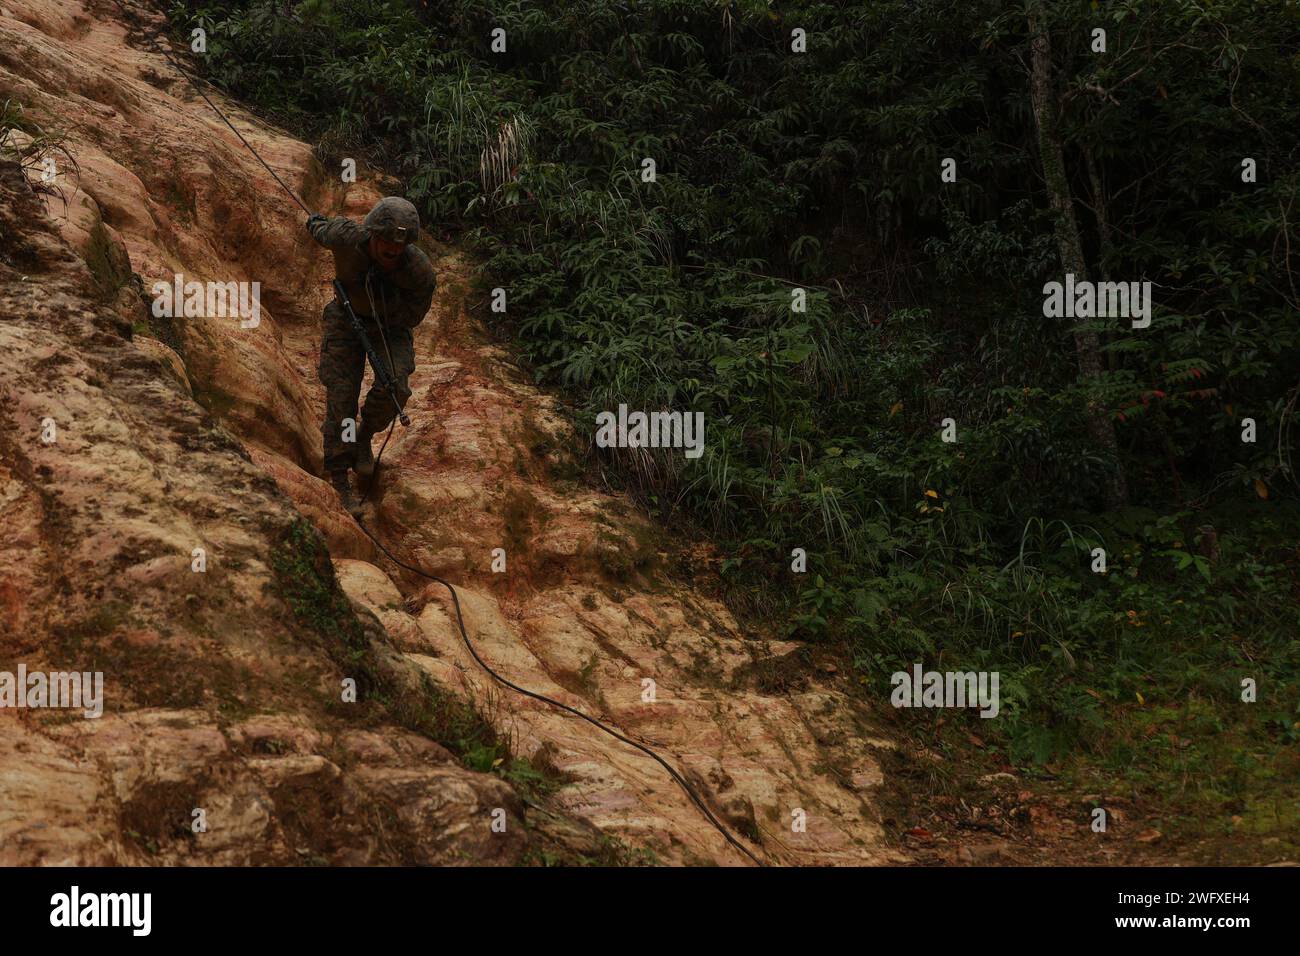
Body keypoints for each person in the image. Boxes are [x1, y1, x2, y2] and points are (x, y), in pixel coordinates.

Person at [306, 197, 436, 516]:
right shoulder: (347, 238)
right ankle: (339, 479)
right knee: (342, 397)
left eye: (399, 249)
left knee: (395, 388)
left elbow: (414, 316)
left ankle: (364, 437)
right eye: (386, 245)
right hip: (345, 318)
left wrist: (383, 302)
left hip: (389, 327)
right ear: (373, 235)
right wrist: (315, 222)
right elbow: (320, 229)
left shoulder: (419, 271)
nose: (392, 253)